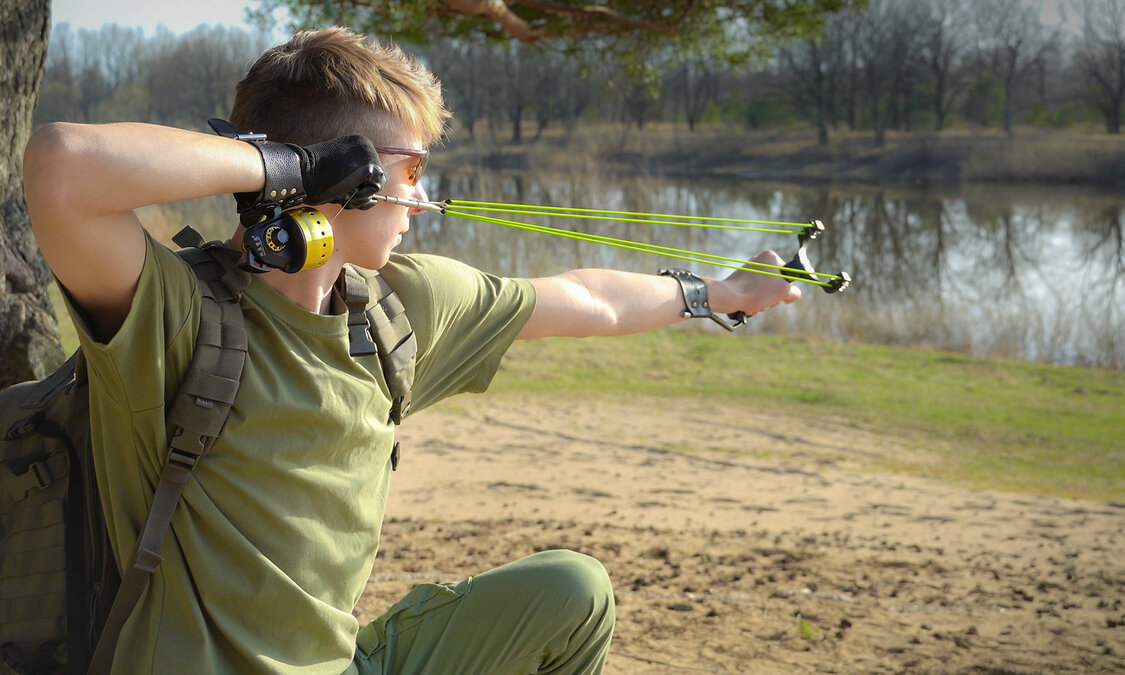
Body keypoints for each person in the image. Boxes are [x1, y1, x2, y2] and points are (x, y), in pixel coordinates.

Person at [22, 27, 802, 674]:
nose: (424, 198)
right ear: (343, 175)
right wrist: (282, 165)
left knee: (574, 591)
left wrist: (718, 295)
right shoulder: (174, 314)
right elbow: (60, 167)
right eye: (410, 170)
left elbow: (586, 299)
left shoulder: (398, 305)